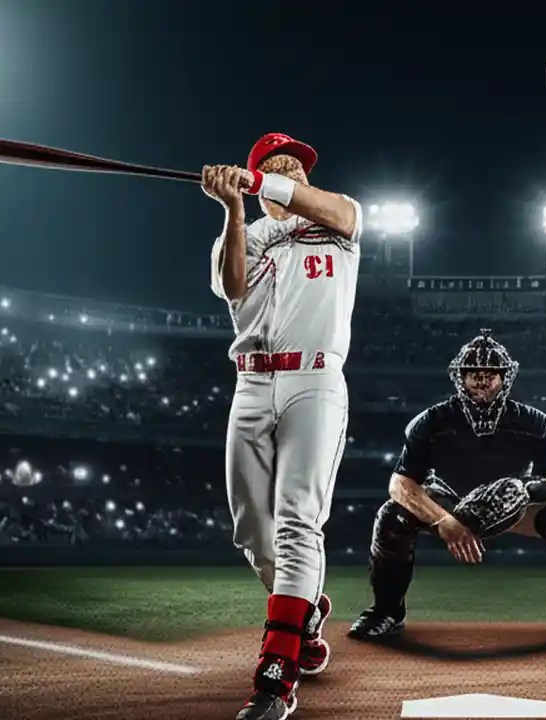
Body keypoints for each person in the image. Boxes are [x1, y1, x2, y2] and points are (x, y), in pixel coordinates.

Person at [201, 131, 363, 720]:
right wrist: (233, 207)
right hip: (249, 383)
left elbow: (340, 210)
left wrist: (266, 181)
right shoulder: (242, 233)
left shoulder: (339, 221)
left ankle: (276, 676)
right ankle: (306, 612)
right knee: (250, 528)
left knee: (299, 519)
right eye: (275, 165)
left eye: (296, 165)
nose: (291, 171)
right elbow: (233, 287)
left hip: (314, 383)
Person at [346, 329, 546, 643]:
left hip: (516, 508)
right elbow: (399, 484)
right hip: (448, 503)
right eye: (473, 374)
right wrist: (444, 520)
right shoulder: (432, 421)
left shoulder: (534, 422)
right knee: (391, 515)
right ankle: (386, 612)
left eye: (491, 374)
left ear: (506, 378)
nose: (482, 380)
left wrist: (524, 491)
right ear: (459, 378)